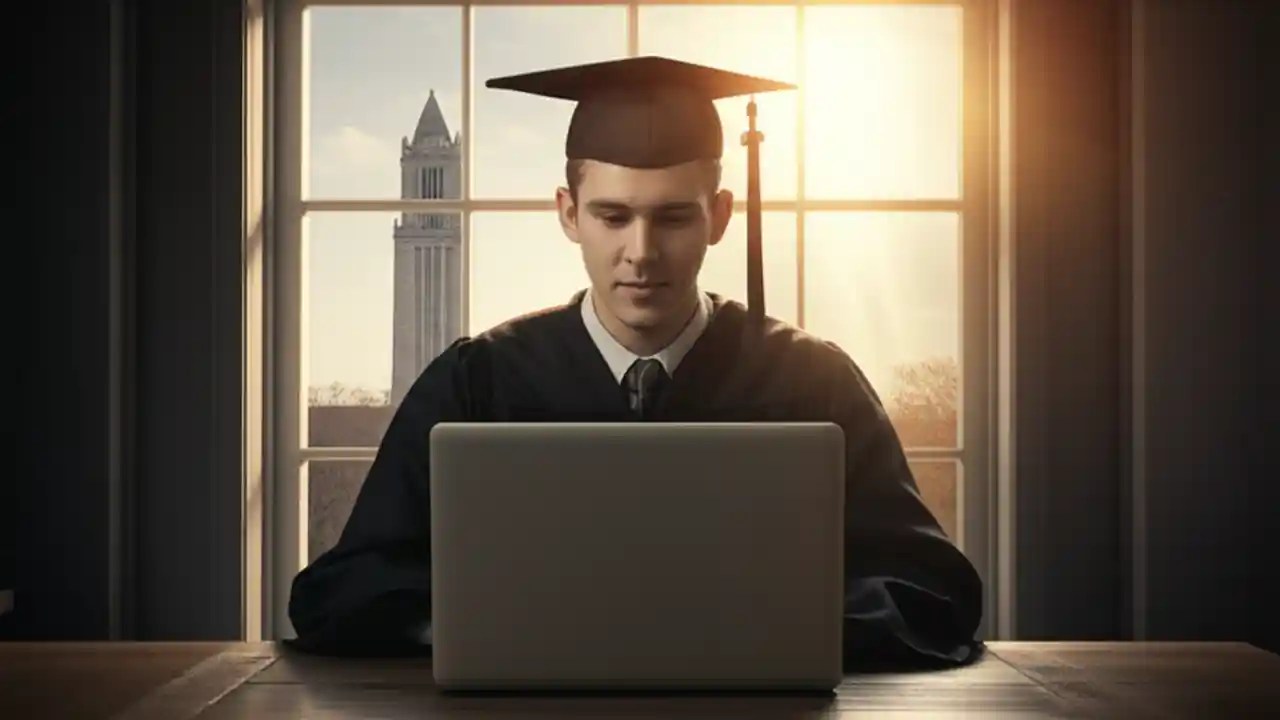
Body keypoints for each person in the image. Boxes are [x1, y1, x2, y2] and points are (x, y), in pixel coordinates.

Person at [288, 56, 983, 668]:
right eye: (613, 216)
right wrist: (496, 626)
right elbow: (347, 589)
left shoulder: (812, 381)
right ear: (569, 213)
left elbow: (929, 587)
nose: (642, 253)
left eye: (674, 218)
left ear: (719, 215)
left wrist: (776, 632)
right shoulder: (480, 381)